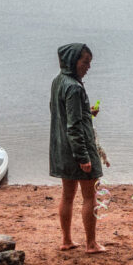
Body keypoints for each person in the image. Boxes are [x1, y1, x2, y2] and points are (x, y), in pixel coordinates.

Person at [49, 42, 106, 253]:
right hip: (78, 148)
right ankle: (91, 243)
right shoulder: (73, 86)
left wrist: (86, 112)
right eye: (85, 62)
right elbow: (73, 126)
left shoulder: (58, 81)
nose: (88, 66)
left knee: (67, 196)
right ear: (73, 61)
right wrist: (83, 157)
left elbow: (63, 114)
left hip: (62, 149)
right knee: (90, 197)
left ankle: (66, 240)